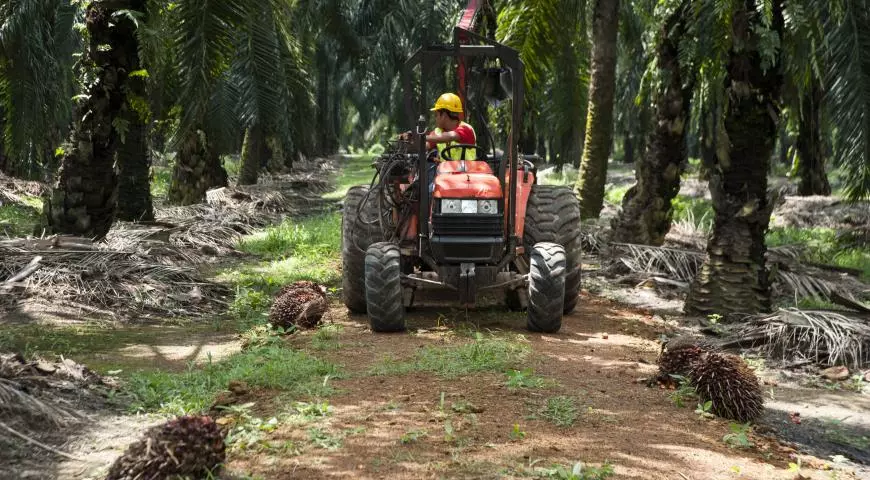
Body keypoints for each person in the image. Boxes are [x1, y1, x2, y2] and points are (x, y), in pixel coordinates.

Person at [400, 93, 477, 161]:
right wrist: (409, 140)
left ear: (443, 115)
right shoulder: (437, 132)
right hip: (446, 175)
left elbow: (449, 136)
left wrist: (421, 136)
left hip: (467, 175)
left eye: (436, 115)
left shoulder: (466, 129)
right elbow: (423, 146)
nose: (435, 118)